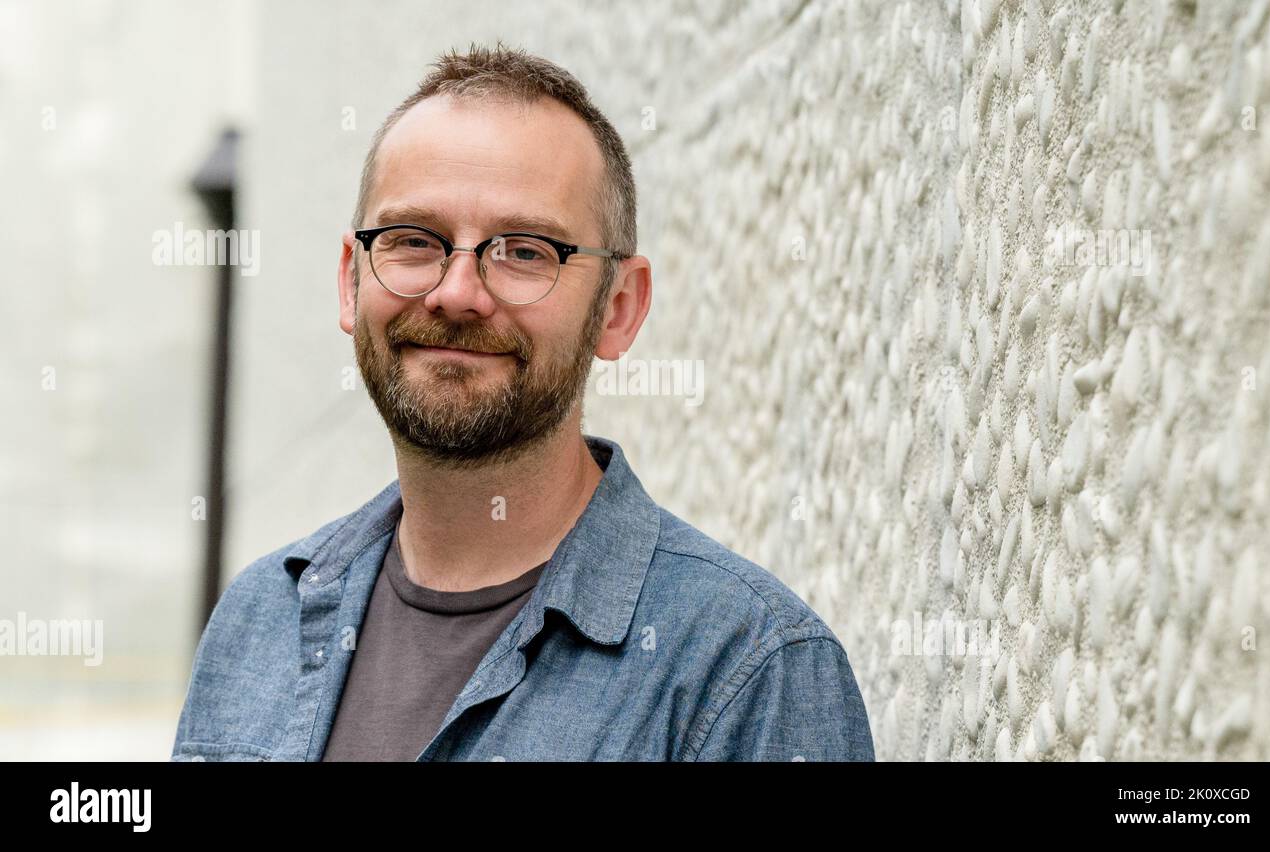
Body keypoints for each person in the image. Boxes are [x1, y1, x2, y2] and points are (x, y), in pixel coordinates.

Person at [171, 42, 874, 762]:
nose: (456, 294)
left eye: (525, 251)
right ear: (353, 281)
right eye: (415, 240)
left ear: (619, 308)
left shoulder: (749, 671)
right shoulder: (259, 620)